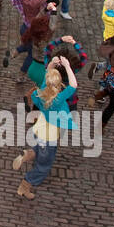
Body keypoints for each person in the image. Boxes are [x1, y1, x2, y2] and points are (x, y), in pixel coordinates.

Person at [13, 56, 77, 199]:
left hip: (38, 130)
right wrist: (67, 66)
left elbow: (46, 76)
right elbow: (73, 85)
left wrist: (52, 64)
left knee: (39, 148)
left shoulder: (41, 91)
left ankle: (28, 154)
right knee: (43, 167)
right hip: (49, 136)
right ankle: (25, 185)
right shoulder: (58, 99)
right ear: (59, 84)